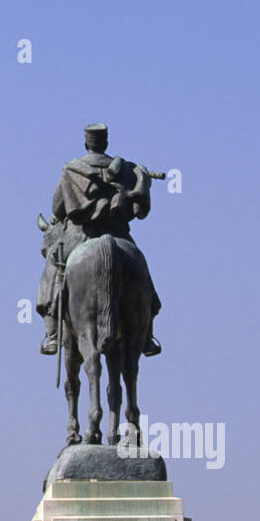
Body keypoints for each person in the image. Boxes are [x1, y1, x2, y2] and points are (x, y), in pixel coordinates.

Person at [38, 123, 161, 357]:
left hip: (82, 236)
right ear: (106, 144)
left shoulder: (72, 170)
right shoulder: (126, 169)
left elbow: (59, 208)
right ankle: (147, 337)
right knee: (142, 273)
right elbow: (141, 211)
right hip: (119, 235)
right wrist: (142, 178)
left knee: (53, 268)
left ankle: (52, 334)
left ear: (87, 144)